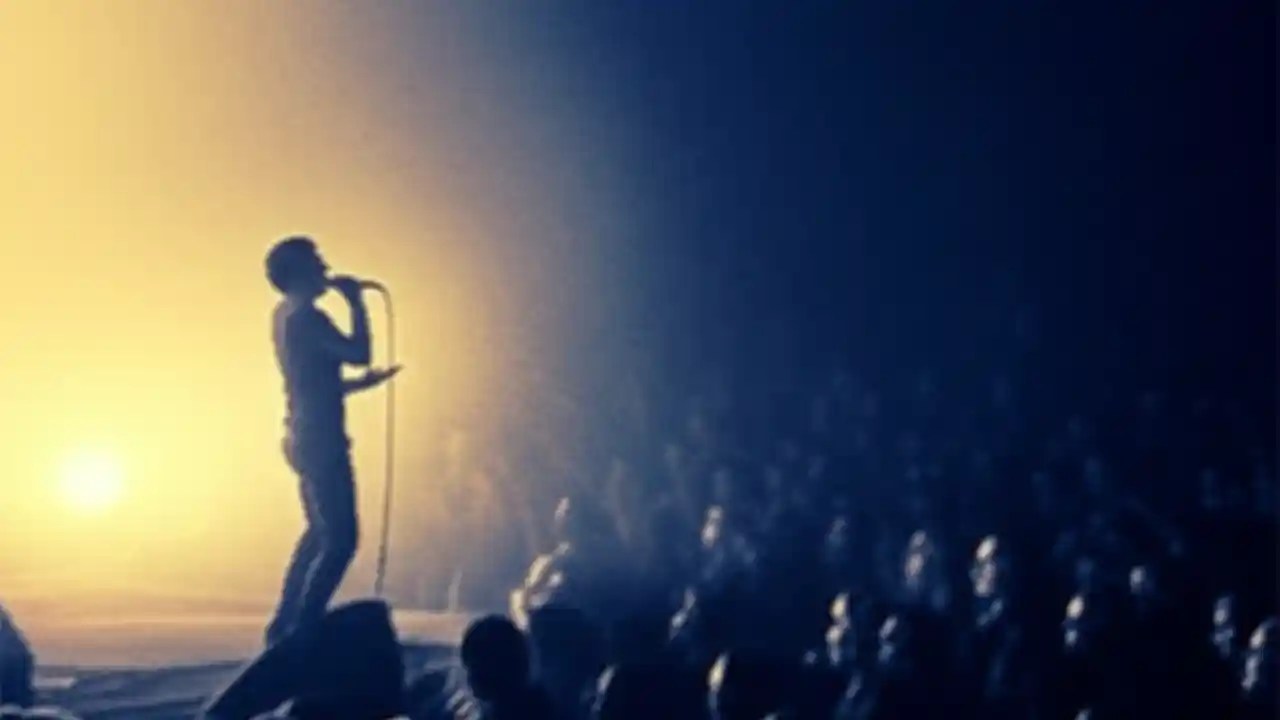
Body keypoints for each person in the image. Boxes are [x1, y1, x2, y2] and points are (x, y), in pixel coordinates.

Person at [263, 235, 401, 646]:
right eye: (316, 263)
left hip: (300, 434)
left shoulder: (283, 315)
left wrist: (358, 386)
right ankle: (303, 629)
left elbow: (311, 380)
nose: (326, 269)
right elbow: (358, 351)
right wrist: (356, 303)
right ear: (299, 273)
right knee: (341, 539)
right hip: (321, 440)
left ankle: (286, 622)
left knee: (317, 532)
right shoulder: (310, 318)